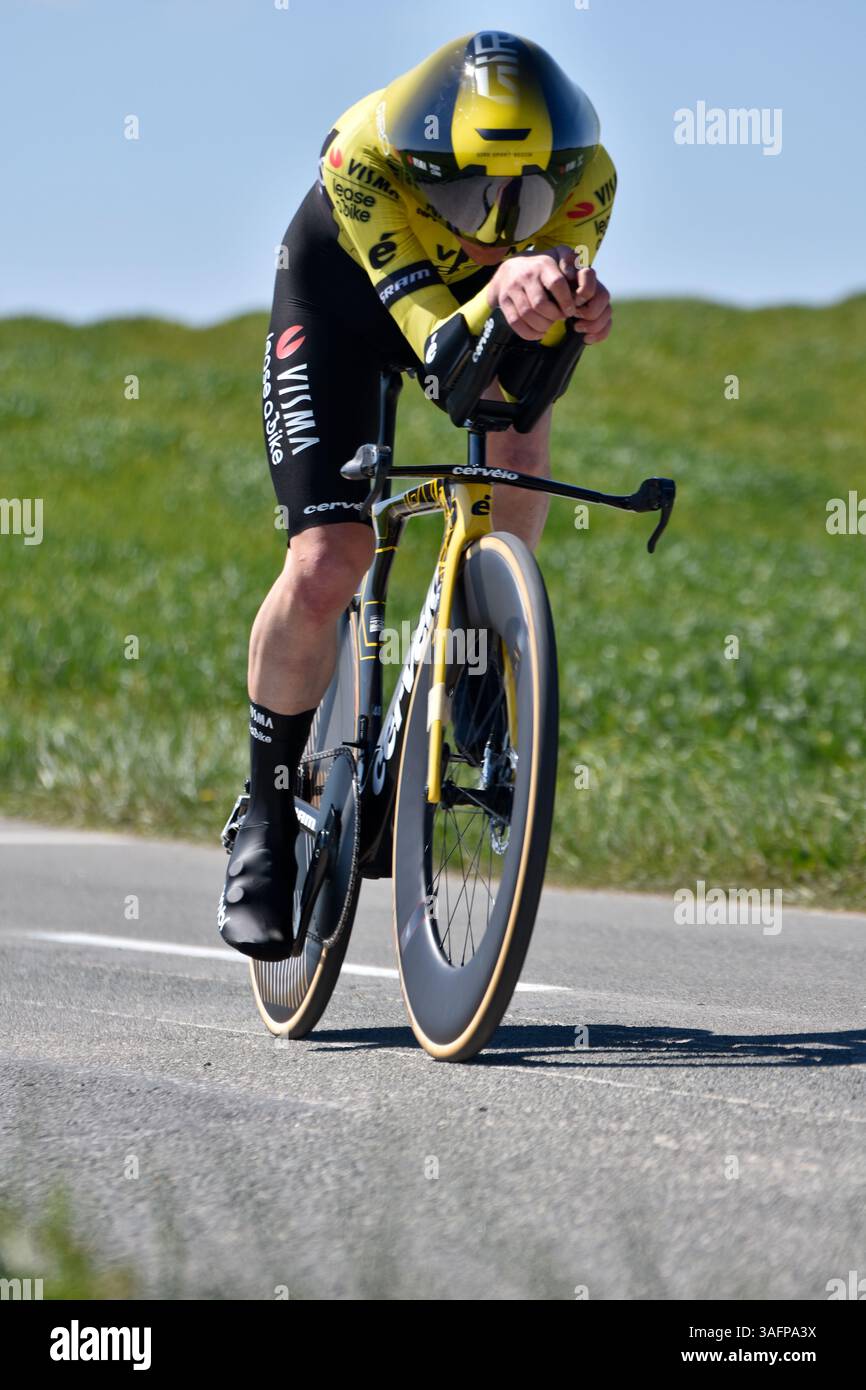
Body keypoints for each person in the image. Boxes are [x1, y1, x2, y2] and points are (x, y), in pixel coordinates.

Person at [218, 30, 615, 959]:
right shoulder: (364, 153)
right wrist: (514, 278)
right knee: (329, 560)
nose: (494, 220)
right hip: (346, 308)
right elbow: (440, 355)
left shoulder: (592, 174)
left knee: (520, 423)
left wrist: (574, 306)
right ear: (422, 165)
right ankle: (266, 818)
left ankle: (480, 648)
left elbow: (516, 361)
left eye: (525, 197)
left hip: (471, 312)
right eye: (468, 192)